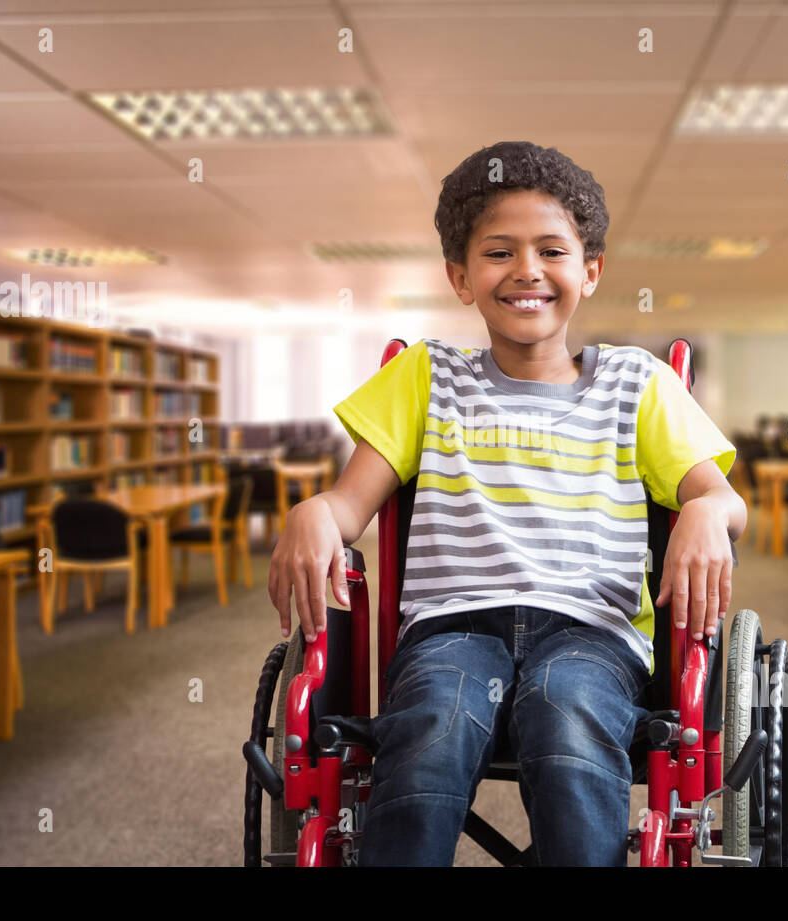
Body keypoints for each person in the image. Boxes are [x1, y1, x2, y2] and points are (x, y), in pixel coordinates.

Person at [268, 141, 746, 866]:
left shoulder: (638, 384)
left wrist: (709, 510)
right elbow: (347, 506)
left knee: (566, 712)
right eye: (499, 252)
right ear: (461, 277)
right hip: (451, 630)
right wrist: (313, 513)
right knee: (432, 720)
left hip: (592, 631)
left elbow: (718, 495)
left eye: (552, 250)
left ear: (590, 271)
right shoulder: (428, 378)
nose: (527, 270)